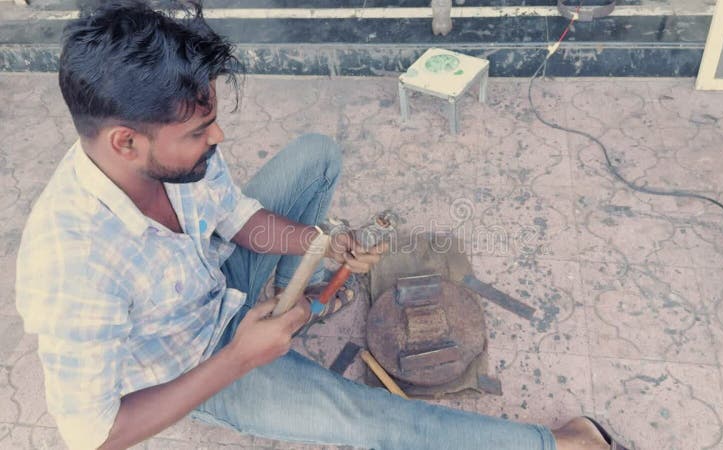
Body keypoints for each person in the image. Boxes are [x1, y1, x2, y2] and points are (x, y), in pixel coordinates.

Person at [15, 1, 627, 449]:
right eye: (200, 133)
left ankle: (292, 303)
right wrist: (238, 359)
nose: (218, 138)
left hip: (215, 283)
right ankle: (566, 444)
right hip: (194, 361)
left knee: (314, 155)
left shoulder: (173, 153)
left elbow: (236, 217)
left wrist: (321, 243)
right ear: (125, 142)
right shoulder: (72, 266)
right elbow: (93, 434)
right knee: (368, 420)